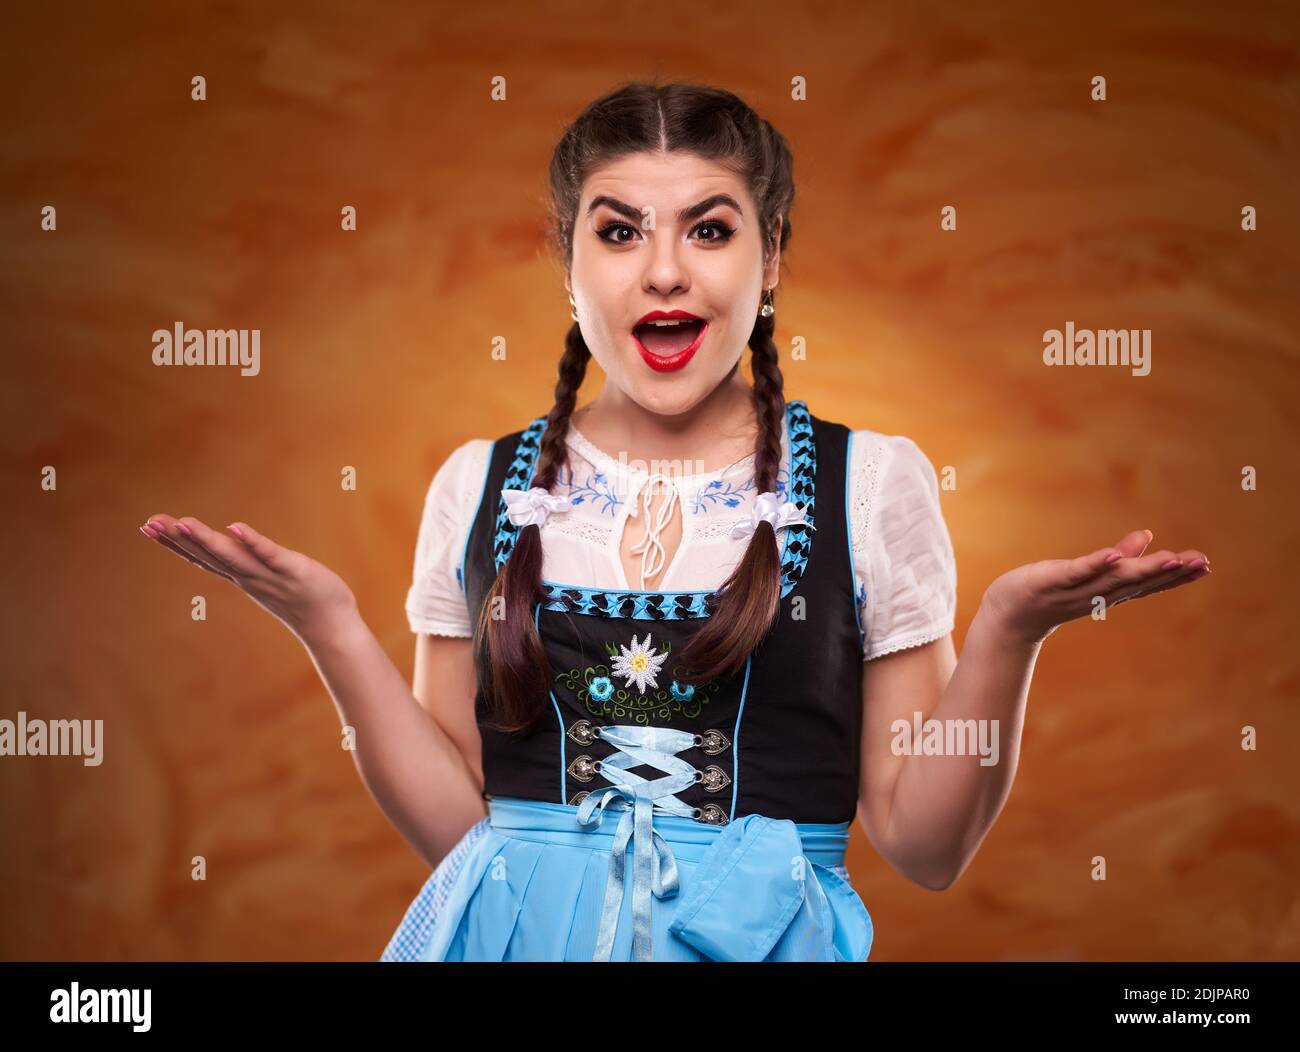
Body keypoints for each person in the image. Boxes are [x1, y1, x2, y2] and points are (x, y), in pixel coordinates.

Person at [139, 81, 1211, 963]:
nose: (663, 269)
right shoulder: (479, 484)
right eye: (618, 231)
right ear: (567, 259)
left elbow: (925, 847)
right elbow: (464, 832)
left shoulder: (870, 482)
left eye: (709, 227)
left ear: (772, 256)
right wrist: (326, 622)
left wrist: (1008, 632)